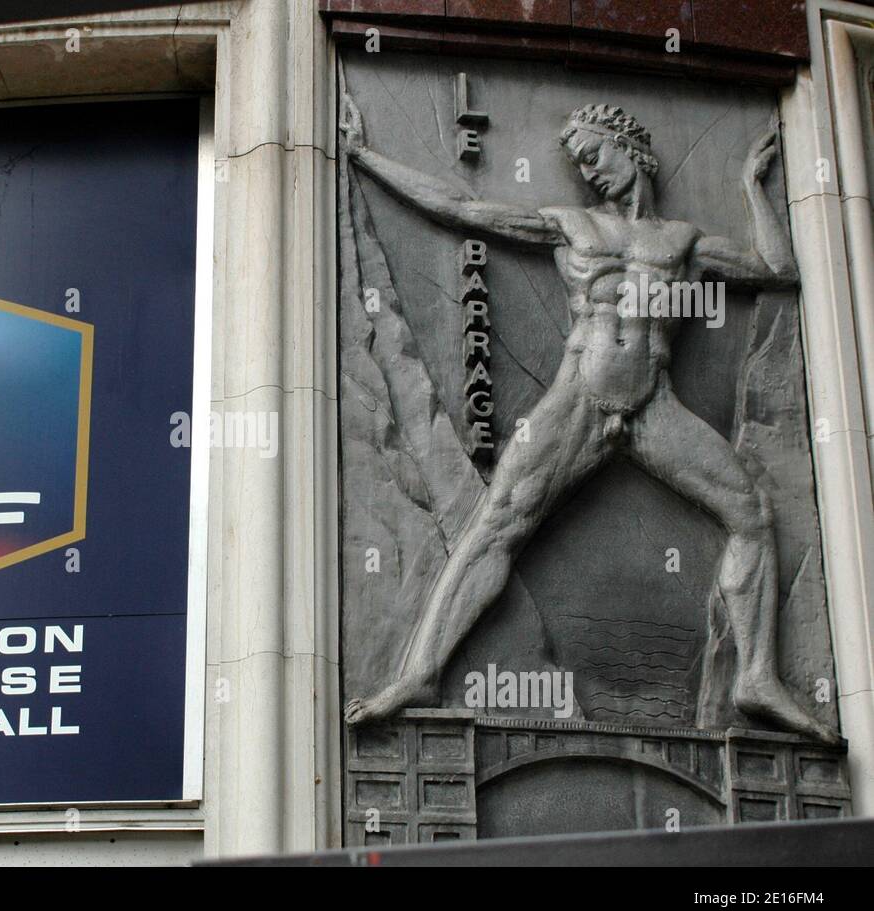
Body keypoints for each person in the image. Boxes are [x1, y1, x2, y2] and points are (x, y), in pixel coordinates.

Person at [340, 97, 837, 744]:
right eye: (577, 163)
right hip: (581, 398)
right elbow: (463, 208)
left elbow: (779, 270)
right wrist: (366, 156)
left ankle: (758, 679)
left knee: (751, 515)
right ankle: (418, 674)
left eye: (594, 155)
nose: (588, 172)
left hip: (653, 406)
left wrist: (751, 186)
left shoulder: (683, 243)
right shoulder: (573, 226)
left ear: (628, 147)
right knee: (497, 526)